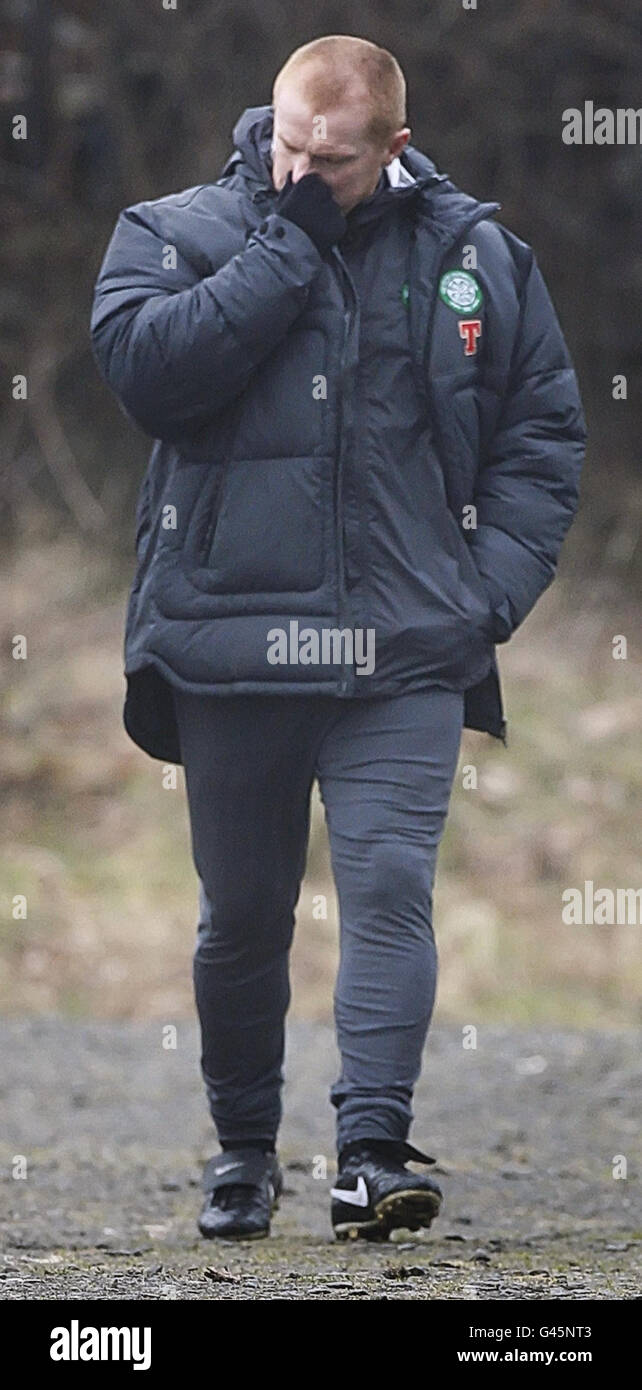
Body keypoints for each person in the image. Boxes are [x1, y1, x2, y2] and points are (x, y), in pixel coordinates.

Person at [90, 34, 586, 1242]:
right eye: (291, 144)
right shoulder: (171, 231)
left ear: (397, 148)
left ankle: (371, 1149)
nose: (305, 168)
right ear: (269, 119)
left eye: (337, 157)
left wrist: (485, 600)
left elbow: (544, 436)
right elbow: (151, 375)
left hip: (407, 644)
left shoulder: (476, 256)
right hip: (229, 644)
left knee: (386, 889)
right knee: (245, 914)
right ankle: (244, 1152)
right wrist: (289, 244)